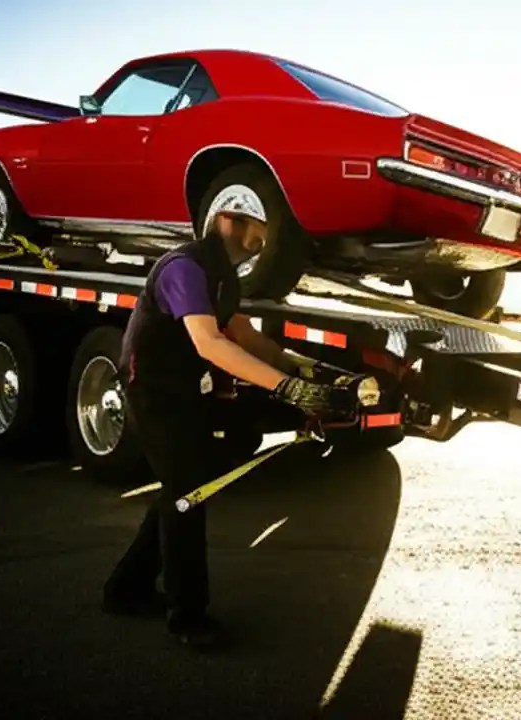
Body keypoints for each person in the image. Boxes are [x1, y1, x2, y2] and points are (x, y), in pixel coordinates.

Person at [101, 196, 348, 649]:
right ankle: (188, 620)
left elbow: (245, 336)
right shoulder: (184, 268)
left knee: (190, 482)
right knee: (186, 498)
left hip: (184, 392)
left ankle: (125, 589)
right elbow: (210, 344)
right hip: (151, 394)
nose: (262, 239)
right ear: (226, 220)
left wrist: (299, 369)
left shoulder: (224, 276)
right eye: (257, 227)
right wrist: (284, 387)